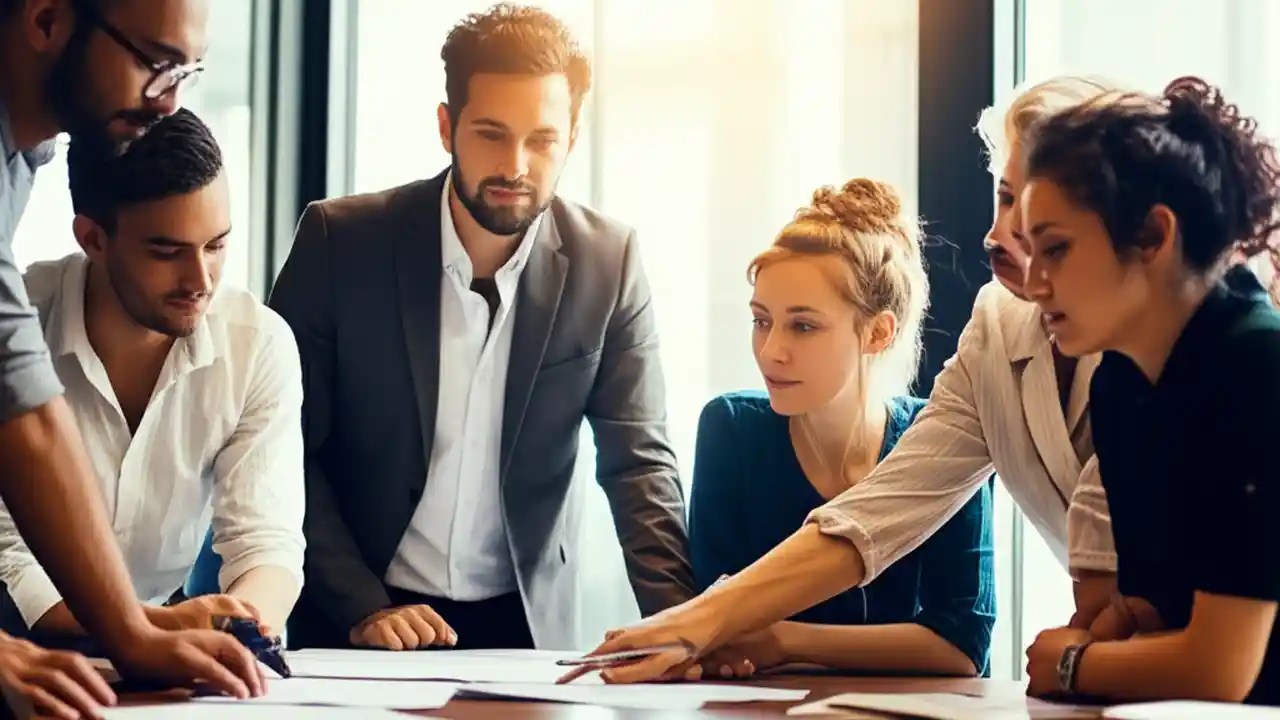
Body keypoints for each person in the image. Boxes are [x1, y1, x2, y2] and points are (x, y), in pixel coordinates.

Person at [561, 76, 1124, 685]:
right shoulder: (994, 327)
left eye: (804, 326)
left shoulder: (1190, 349)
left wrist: (1080, 662)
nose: (997, 234)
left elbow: (973, 635)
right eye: (1004, 195)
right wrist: (697, 621)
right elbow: (877, 514)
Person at [271, 2, 693, 653]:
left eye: (542, 140)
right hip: (358, 616)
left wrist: (685, 626)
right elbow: (282, 447)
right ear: (447, 126)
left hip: (523, 629)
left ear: (572, 136)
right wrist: (360, 606)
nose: (516, 166)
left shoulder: (610, 263)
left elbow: (640, 468)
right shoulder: (340, 242)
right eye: (491, 134)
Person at [0, 0, 265, 714]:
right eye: (156, 63)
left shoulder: (26, 160)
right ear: (49, 20)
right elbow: (21, 415)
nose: (171, 99)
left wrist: (135, 628)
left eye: (188, 70)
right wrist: (129, 631)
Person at [1019, 77, 1280, 706]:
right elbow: (1157, 621)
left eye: (1055, 249)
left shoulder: (1259, 365)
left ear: (1154, 237)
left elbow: (1218, 671)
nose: (1033, 283)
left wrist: (1074, 664)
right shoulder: (1121, 385)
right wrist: (1115, 637)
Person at [0, 108, 305, 644]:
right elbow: (10, 554)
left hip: (160, 641)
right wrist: (155, 630)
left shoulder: (257, 344)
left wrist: (242, 628)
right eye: (167, 252)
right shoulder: (17, 324)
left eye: (216, 245)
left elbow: (265, 540)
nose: (200, 280)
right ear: (93, 239)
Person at [687, 179, 993, 679]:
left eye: (803, 326)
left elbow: (962, 647)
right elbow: (718, 619)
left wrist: (785, 639)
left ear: (877, 332)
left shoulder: (944, 438)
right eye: (762, 321)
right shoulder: (731, 429)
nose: (771, 351)